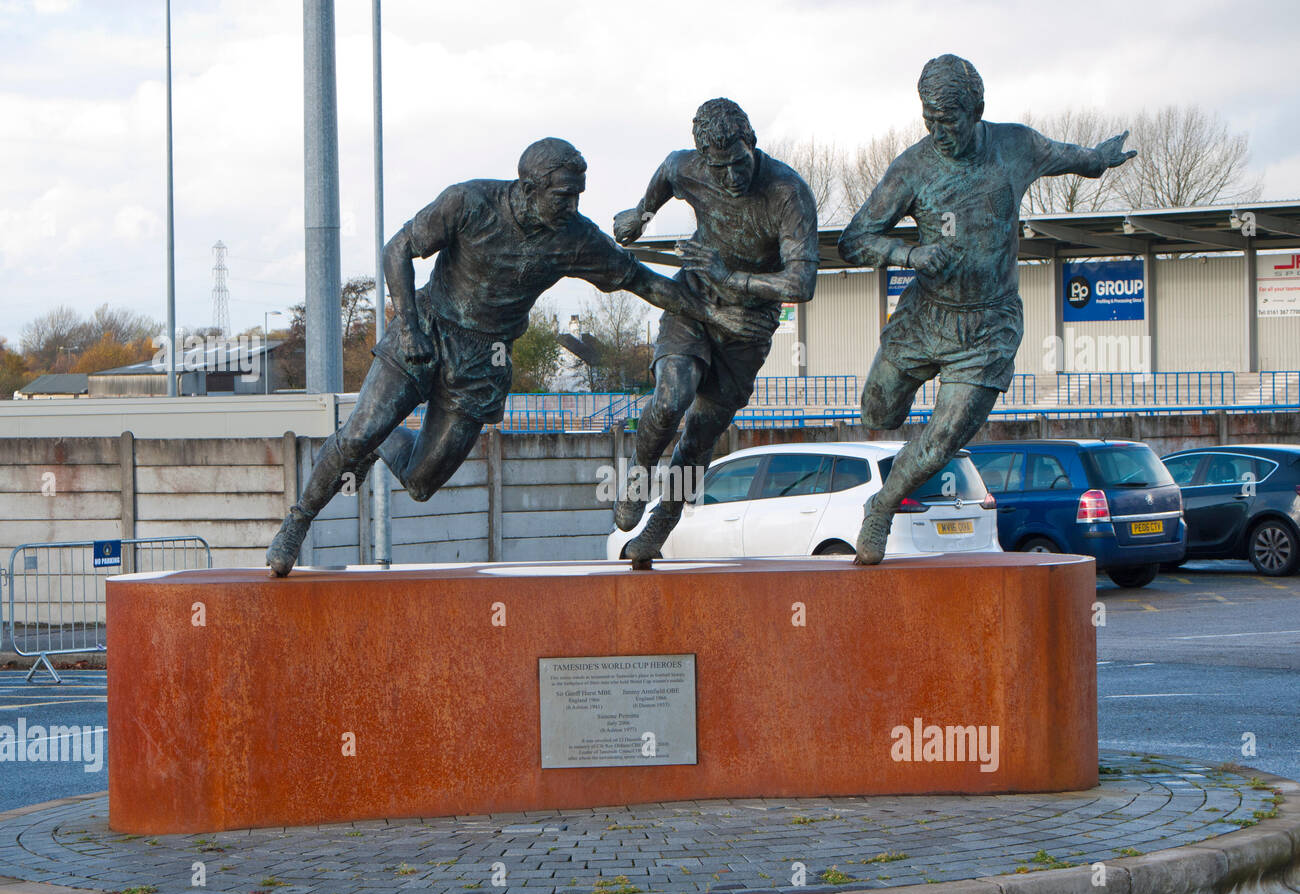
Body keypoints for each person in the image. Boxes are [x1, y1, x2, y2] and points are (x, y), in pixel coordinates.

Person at [267, 137, 767, 576]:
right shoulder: (470, 201)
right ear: (527, 188)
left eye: (578, 195)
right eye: (562, 195)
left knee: (420, 482)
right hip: (427, 330)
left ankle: (386, 441)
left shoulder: (575, 238)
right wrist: (412, 326)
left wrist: (714, 311)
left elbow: (642, 281)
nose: (572, 204)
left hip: (485, 362)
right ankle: (299, 521)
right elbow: (396, 249)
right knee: (359, 431)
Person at [838, 54, 1136, 564]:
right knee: (878, 412)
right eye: (928, 118)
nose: (938, 130)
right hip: (926, 315)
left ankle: (881, 506)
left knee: (942, 439)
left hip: (989, 326)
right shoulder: (913, 167)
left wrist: (1098, 159)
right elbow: (854, 240)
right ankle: (904, 394)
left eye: (948, 119)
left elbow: (1067, 156)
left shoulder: (1015, 146)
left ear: (977, 109)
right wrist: (908, 253)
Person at [611, 98, 819, 561]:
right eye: (720, 168)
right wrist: (641, 215)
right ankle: (639, 475)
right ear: (705, 161)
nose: (731, 177)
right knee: (671, 398)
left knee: (701, 435)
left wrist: (733, 278)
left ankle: (660, 526)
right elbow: (667, 170)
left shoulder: (787, 193)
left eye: (739, 163)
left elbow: (801, 283)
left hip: (748, 325)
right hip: (695, 303)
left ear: (753, 144)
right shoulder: (690, 168)